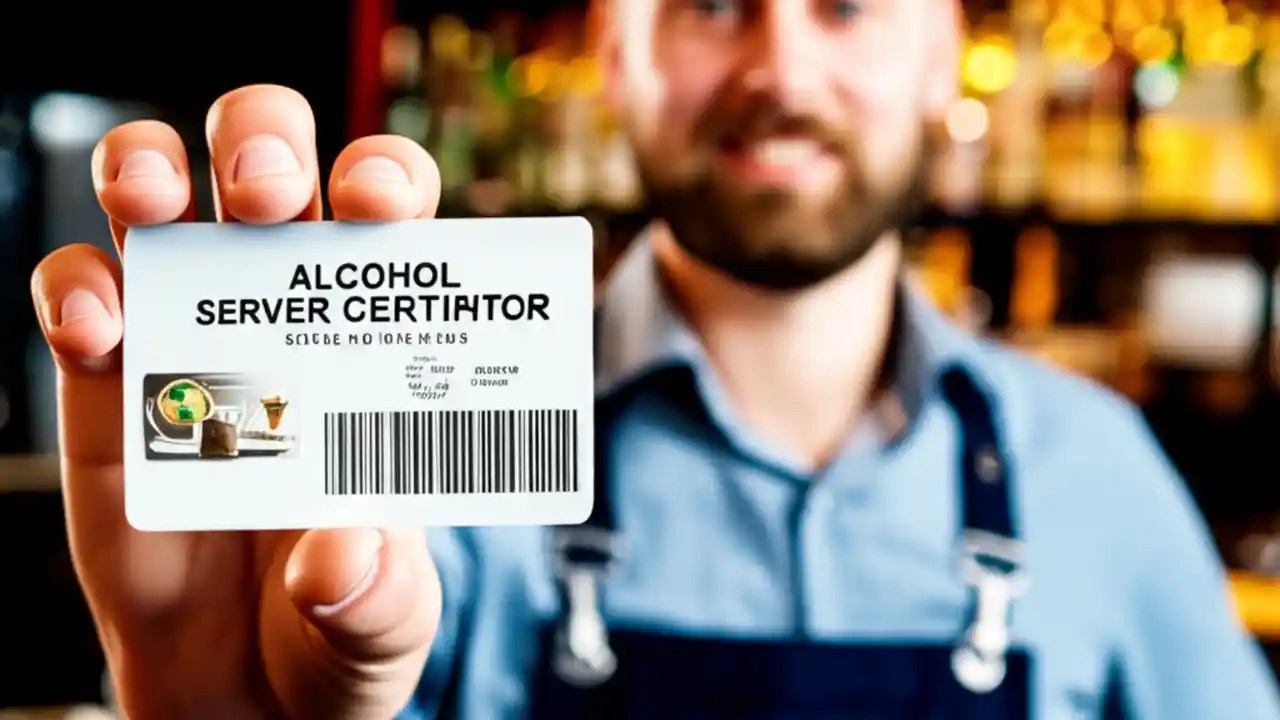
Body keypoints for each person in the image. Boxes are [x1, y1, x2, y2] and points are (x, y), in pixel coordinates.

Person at [27, 0, 1280, 717]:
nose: (779, 67)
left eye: (845, 5)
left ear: (943, 51)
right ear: (614, 53)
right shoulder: (399, 487)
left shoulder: (1099, 476)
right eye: (711, 4)